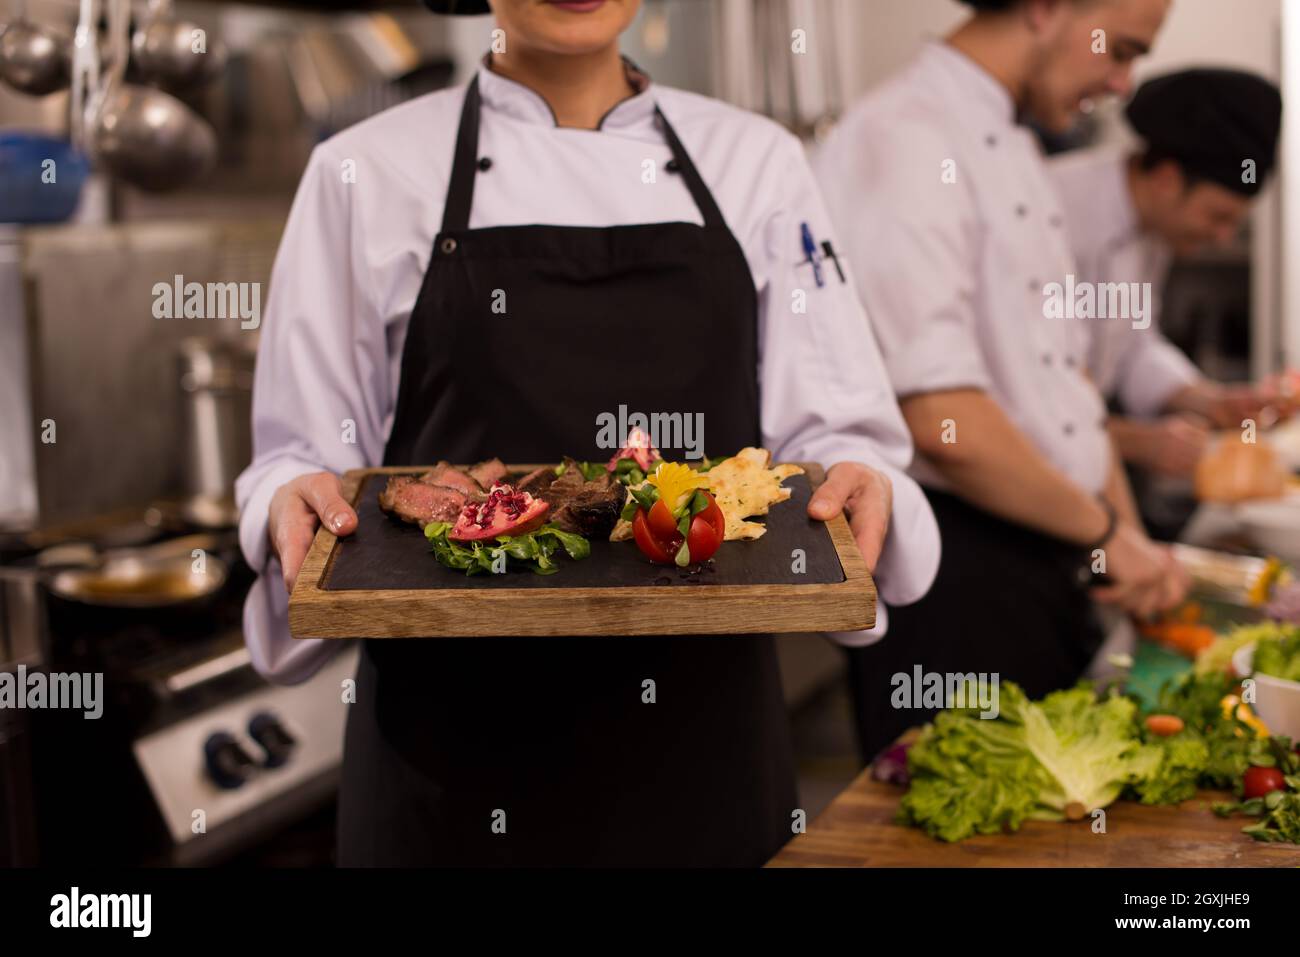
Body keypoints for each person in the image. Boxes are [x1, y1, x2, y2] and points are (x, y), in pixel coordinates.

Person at [235, 0, 940, 866]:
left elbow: (838, 435)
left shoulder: (757, 162)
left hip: (700, 751)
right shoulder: (360, 172)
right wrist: (288, 496)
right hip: (449, 754)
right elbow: (300, 453)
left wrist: (863, 478)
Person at [812, 0, 1189, 762]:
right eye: (1118, 49)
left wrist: (1128, 538)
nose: (1122, 83)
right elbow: (941, 420)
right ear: (1047, 9)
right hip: (954, 571)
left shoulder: (1014, 141)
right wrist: (1109, 535)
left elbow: (1067, 383)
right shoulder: (904, 136)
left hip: (1045, 546)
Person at [1048, 68, 1285, 479]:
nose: (1223, 236)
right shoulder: (1055, 209)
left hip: (1080, 453)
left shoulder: (1153, 231)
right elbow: (1021, 386)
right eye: (1218, 217)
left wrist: (1211, 401)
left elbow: (1133, 344)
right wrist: (1137, 441)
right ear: (1167, 179)